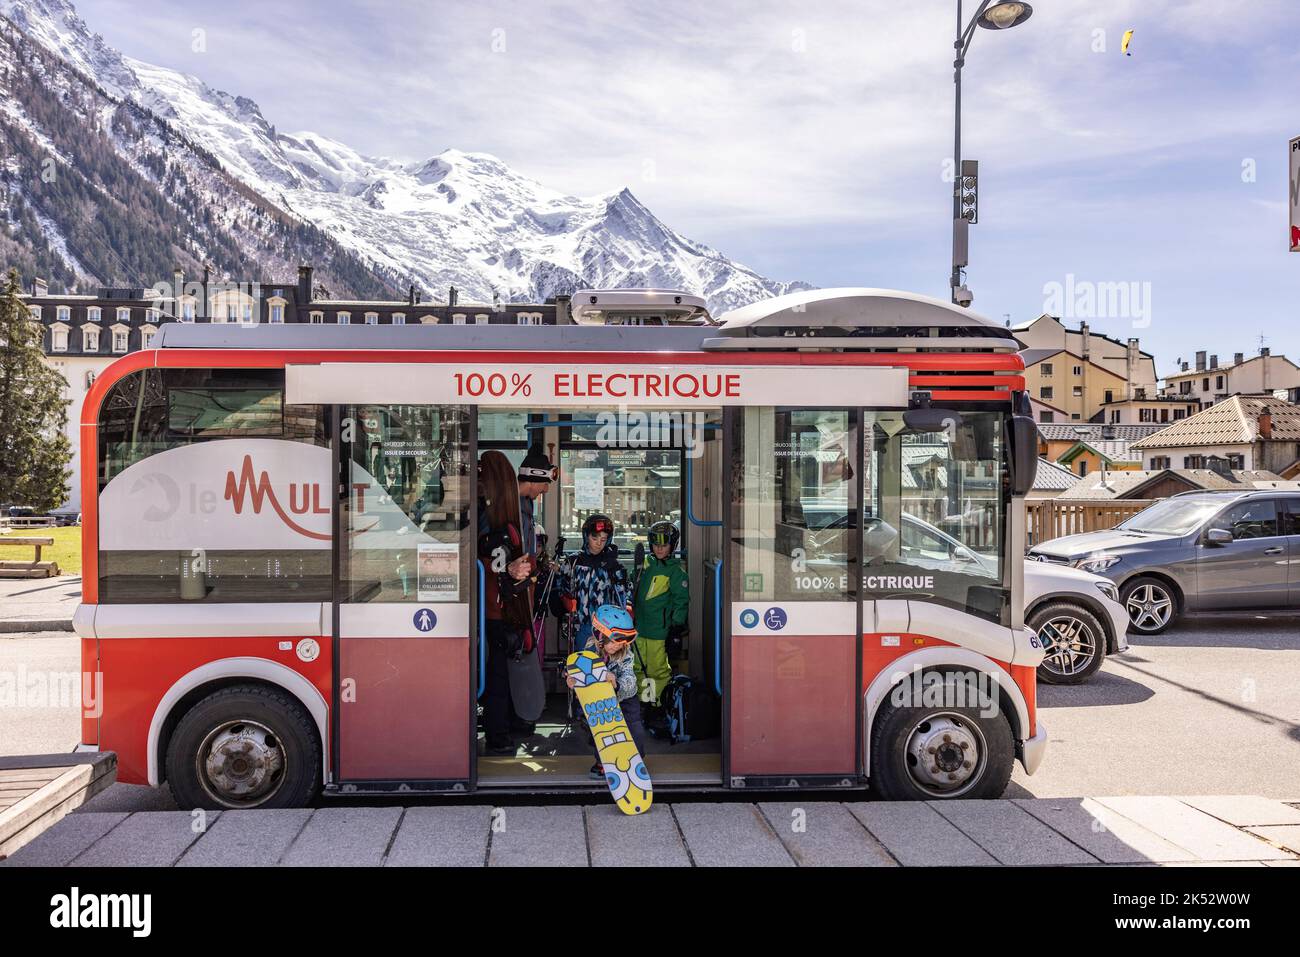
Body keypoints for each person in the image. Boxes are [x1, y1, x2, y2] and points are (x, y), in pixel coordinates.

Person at [477, 450, 536, 755]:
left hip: (488, 608)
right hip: (506, 608)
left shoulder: (482, 521)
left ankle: (498, 732)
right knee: (503, 670)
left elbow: (482, 561)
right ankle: (509, 725)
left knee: (495, 672)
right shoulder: (510, 521)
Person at [566, 604, 647, 779]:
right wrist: (573, 681)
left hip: (625, 700)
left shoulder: (626, 654)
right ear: (600, 635)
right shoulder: (589, 650)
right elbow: (578, 673)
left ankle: (636, 761)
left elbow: (631, 679)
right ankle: (603, 762)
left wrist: (617, 683)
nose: (617, 647)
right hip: (601, 700)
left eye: (622, 643)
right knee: (602, 731)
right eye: (614, 642)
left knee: (635, 732)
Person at [551, 513, 629, 654]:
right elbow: (564, 590)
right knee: (585, 664)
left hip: (608, 626)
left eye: (604, 539)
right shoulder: (574, 561)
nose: (599, 543)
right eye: (595, 538)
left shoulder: (613, 565)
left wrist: (615, 570)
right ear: (586, 537)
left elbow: (622, 597)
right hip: (582, 624)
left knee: (608, 667)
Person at [631, 521, 688, 713]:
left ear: (673, 545)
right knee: (639, 667)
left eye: (664, 545)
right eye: (656, 545)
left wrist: (676, 628)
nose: (659, 549)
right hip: (639, 629)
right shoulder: (646, 565)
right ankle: (644, 702)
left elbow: (682, 601)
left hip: (659, 631)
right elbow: (634, 586)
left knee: (657, 670)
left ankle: (659, 705)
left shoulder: (676, 572)